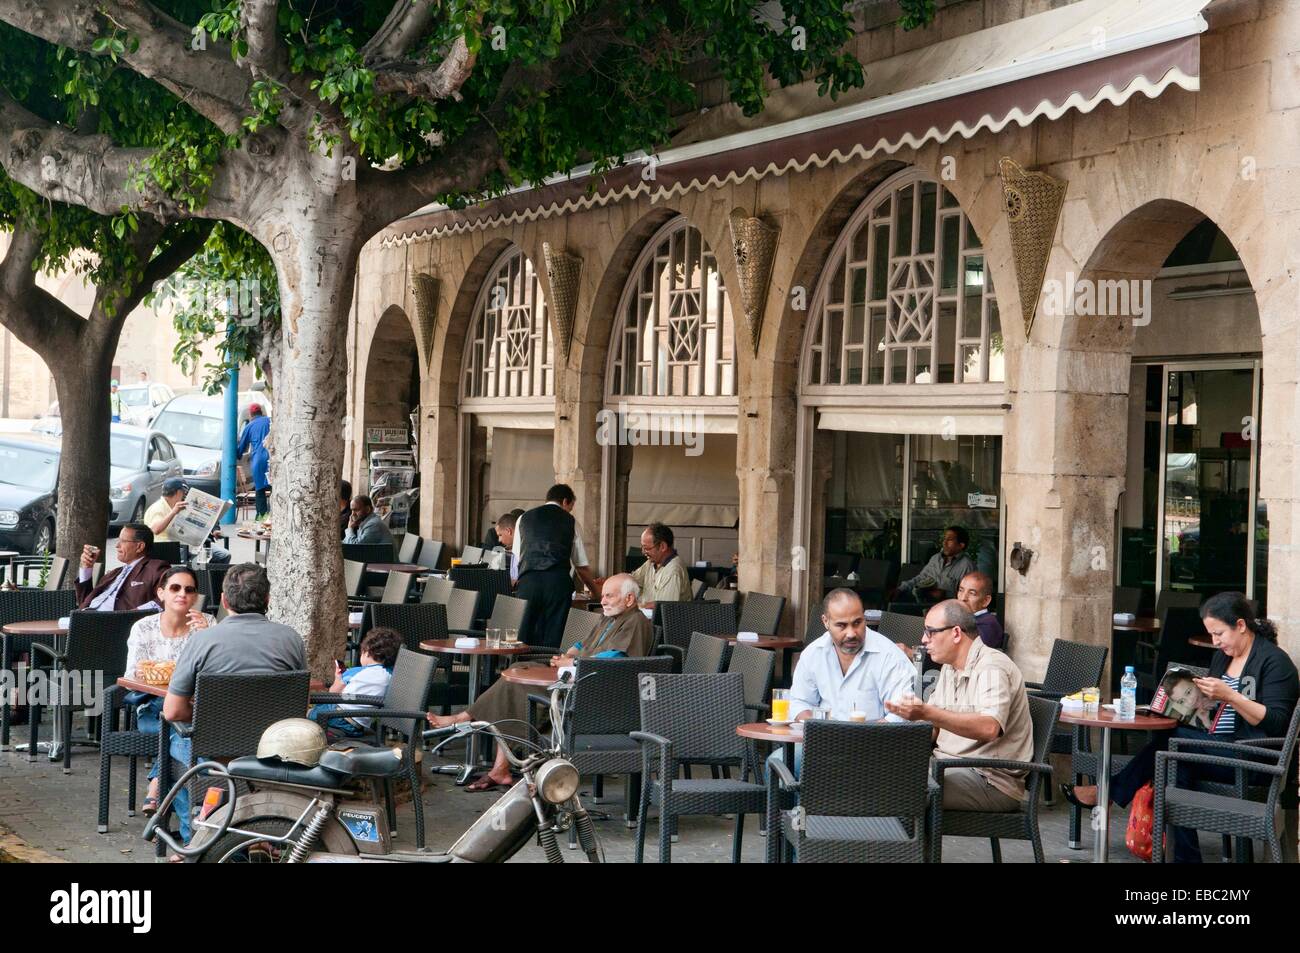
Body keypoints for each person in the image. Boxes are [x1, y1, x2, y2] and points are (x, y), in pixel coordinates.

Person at [1062, 592, 1300, 862]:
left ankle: (1109, 792)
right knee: (1172, 765)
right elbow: (1211, 709)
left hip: (1254, 758)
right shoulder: (1223, 658)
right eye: (1211, 634)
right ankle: (1185, 859)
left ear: (1241, 626)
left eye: (1219, 633)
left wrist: (1231, 695)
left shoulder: (1274, 662)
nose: (1215, 641)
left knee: (1171, 742)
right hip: (1217, 746)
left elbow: (1277, 721)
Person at [427, 574, 652, 790]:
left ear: (629, 599)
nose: (602, 601)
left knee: (518, 686)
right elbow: (583, 644)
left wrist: (572, 661)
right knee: (515, 672)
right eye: (602, 596)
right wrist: (569, 655)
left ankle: (468, 724)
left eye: (609, 596)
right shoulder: (609, 618)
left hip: (592, 692)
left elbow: (615, 659)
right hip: (572, 677)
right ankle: (497, 764)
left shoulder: (635, 621)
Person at [164, 563, 307, 842]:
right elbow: (298, 703)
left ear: (225, 600)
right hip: (274, 749)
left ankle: (193, 838)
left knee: (175, 743)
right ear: (267, 600)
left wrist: (209, 714)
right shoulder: (291, 639)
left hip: (216, 750)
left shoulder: (203, 641)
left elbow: (172, 710)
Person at [885, 600, 1033, 810]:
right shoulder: (949, 667)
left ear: (955, 633)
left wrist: (927, 712)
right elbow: (933, 728)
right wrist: (887, 739)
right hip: (946, 766)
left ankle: (901, 843)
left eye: (930, 632)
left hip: (989, 779)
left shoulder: (992, 667)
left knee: (899, 789)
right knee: (879, 774)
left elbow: (989, 727)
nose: (923, 639)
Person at [124, 566, 216, 815]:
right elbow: (133, 673)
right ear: (161, 593)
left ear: (196, 597)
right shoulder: (144, 627)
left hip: (193, 708)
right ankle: (199, 811)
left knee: (180, 728)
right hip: (152, 707)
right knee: (181, 731)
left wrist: (207, 638)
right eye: (175, 588)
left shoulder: (207, 625)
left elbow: (215, 672)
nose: (182, 594)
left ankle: (156, 787)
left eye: (189, 589)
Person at [790, 588, 915, 722]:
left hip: (874, 740)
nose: (851, 633)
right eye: (841, 625)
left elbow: (902, 715)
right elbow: (799, 702)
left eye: (857, 623)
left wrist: (860, 737)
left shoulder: (889, 656)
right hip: (823, 739)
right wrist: (819, 728)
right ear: (826, 621)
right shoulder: (813, 653)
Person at [512, 484, 602, 649]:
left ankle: (521, 668)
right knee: (555, 634)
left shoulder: (523, 519)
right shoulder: (570, 521)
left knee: (524, 634)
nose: (569, 511)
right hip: (557, 583)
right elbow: (581, 566)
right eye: (570, 507)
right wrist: (598, 594)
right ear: (566, 501)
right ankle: (549, 669)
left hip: (528, 583)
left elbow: (518, 557)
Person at [310, 627, 400, 736]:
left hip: (337, 717)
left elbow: (333, 692)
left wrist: (338, 678)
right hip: (357, 727)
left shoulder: (356, 672)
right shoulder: (391, 675)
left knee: (307, 713)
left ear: (367, 653)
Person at [74, 524, 170, 611]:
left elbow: (167, 598)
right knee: (60, 621)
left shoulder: (155, 568)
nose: (117, 545)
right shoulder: (114, 573)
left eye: (123, 541)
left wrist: (132, 614)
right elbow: (84, 601)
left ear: (140, 547)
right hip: (85, 619)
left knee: (60, 623)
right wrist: (86, 568)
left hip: (113, 624)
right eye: (118, 540)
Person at [896, 526, 975, 602]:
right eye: (944, 539)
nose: (944, 542)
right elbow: (921, 577)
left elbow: (969, 596)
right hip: (923, 603)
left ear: (961, 545)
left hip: (948, 609)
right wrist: (901, 589)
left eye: (949, 540)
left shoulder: (967, 565)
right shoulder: (936, 559)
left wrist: (945, 594)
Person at [629, 523, 691, 608]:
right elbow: (633, 580)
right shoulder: (651, 562)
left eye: (646, 548)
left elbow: (665, 606)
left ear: (662, 546)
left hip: (661, 619)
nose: (643, 552)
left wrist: (638, 606)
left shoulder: (673, 571)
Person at [237, 403, 271, 518]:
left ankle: (262, 517)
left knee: (260, 490)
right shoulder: (270, 421)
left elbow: (240, 449)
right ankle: (275, 517)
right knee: (275, 489)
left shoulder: (249, 427)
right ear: (261, 412)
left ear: (251, 415)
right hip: (273, 459)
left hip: (258, 462)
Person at [956, 571, 1004, 649]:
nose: (963, 598)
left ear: (986, 601)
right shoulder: (968, 618)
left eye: (972, 593)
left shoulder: (987, 624)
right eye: (961, 590)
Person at [485, 512, 520, 584]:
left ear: (508, 531)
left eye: (500, 535)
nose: (499, 540)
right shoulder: (514, 548)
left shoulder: (522, 549)